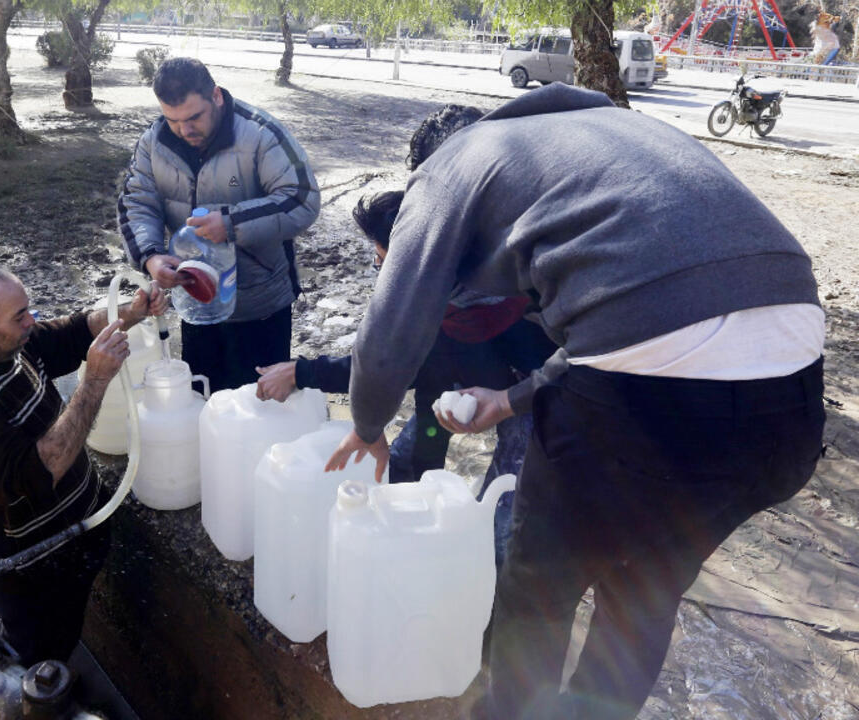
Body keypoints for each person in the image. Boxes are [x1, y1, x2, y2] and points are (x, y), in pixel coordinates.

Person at [326, 84, 825, 719]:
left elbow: (393, 321)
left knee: (539, 594)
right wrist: (509, 401)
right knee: (643, 591)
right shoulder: (612, 134)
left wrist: (368, 424)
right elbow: (625, 321)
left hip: (647, 399)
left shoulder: (454, 163)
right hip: (789, 407)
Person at [0, 266, 166, 665]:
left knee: (65, 632)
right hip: (32, 570)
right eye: (19, 316)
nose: (30, 321)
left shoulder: (13, 346)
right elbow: (37, 474)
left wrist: (130, 311)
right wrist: (96, 381)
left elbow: (76, 330)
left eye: (28, 310)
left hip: (76, 535)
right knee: (38, 655)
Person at [256, 191, 555, 487]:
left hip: (538, 391)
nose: (382, 274)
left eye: (385, 262)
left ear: (414, 262)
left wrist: (302, 373)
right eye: (378, 261)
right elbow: (414, 374)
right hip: (470, 376)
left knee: (509, 501)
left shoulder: (509, 287)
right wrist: (419, 484)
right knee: (404, 464)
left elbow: (391, 365)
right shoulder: (434, 288)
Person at [118, 57, 320, 392]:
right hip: (195, 303)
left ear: (216, 96)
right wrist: (151, 256)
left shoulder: (260, 134)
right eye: (173, 120)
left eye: (194, 117)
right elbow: (136, 204)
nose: (185, 130)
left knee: (260, 406)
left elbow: (302, 199)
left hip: (260, 306)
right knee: (204, 400)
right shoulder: (154, 142)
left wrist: (232, 223)